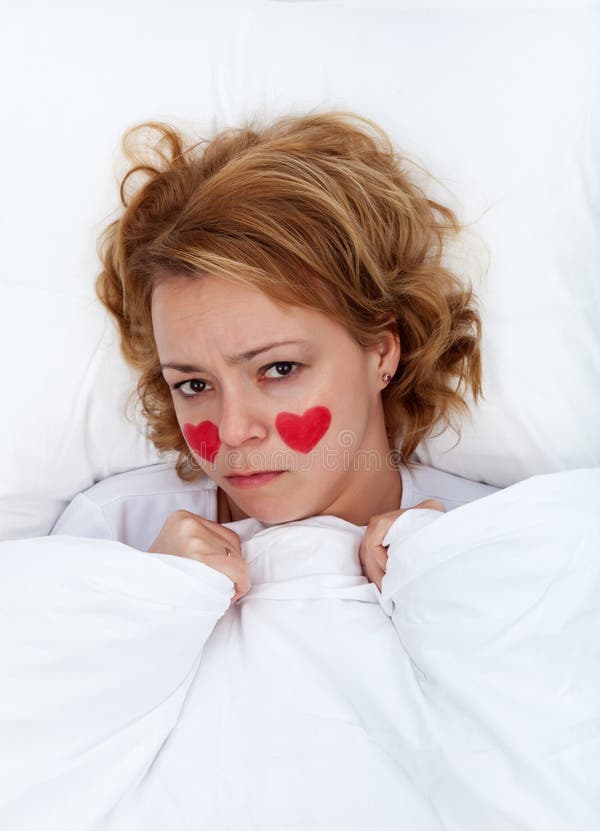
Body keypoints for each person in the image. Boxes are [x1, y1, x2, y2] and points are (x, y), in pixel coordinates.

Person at [50, 109, 499, 601]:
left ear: (381, 354)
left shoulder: (490, 534)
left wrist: (456, 596)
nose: (233, 431)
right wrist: (144, 601)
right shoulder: (113, 534)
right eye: (194, 385)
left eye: (279, 369)